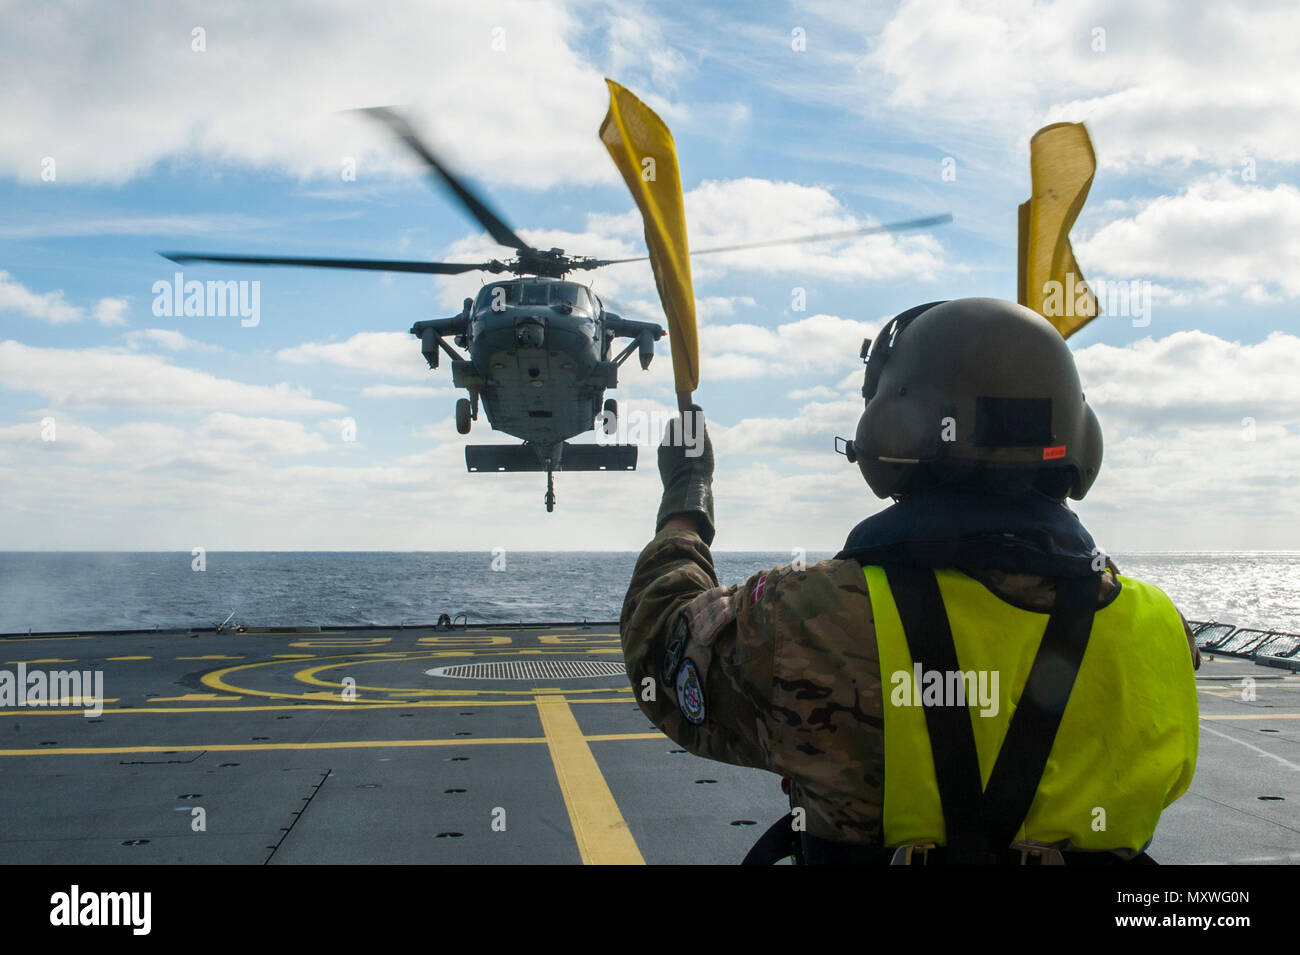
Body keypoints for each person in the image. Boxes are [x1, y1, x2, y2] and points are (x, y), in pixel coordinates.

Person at [619, 297, 1199, 865]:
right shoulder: (1160, 629)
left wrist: (687, 496)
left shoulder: (808, 616)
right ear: (1079, 436)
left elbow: (660, 655)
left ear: (893, 429)